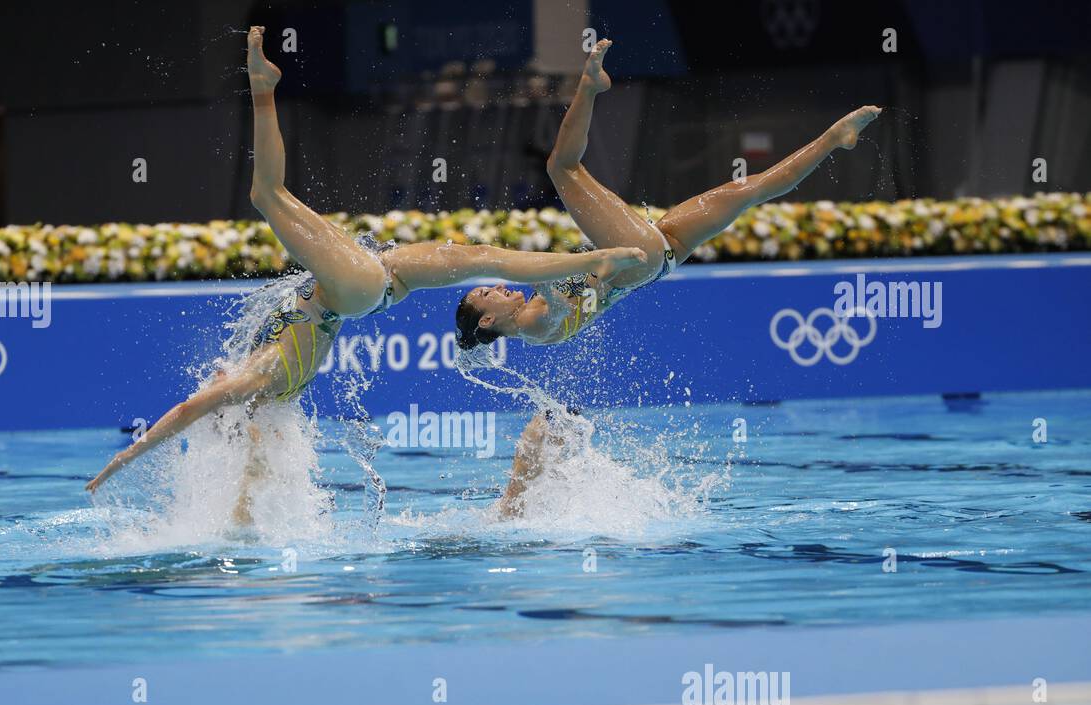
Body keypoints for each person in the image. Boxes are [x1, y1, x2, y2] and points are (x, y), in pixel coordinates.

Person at [86, 26, 648, 492]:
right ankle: (262, 88)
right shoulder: (260, 378)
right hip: (361, 285)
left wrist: (126, 461)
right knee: (488, 256)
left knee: (267, 194)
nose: (217, 375)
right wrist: (122, 461)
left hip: (368, 284)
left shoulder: (269, 386)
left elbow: (204, 416)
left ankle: (263, 88)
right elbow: (191, 410)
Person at [455, 39, 882, 352]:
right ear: (489, 319)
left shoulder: (527, 315)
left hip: (660, 258)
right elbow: (561, 309)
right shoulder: (529, 326)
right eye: (486, 294)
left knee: (749, 189)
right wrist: (542, 274)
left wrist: (551, 274)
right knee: (561, 167)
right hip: (638, 255)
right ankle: (589, 87)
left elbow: (578, 294)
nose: (496, 285)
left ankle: (834, 138)